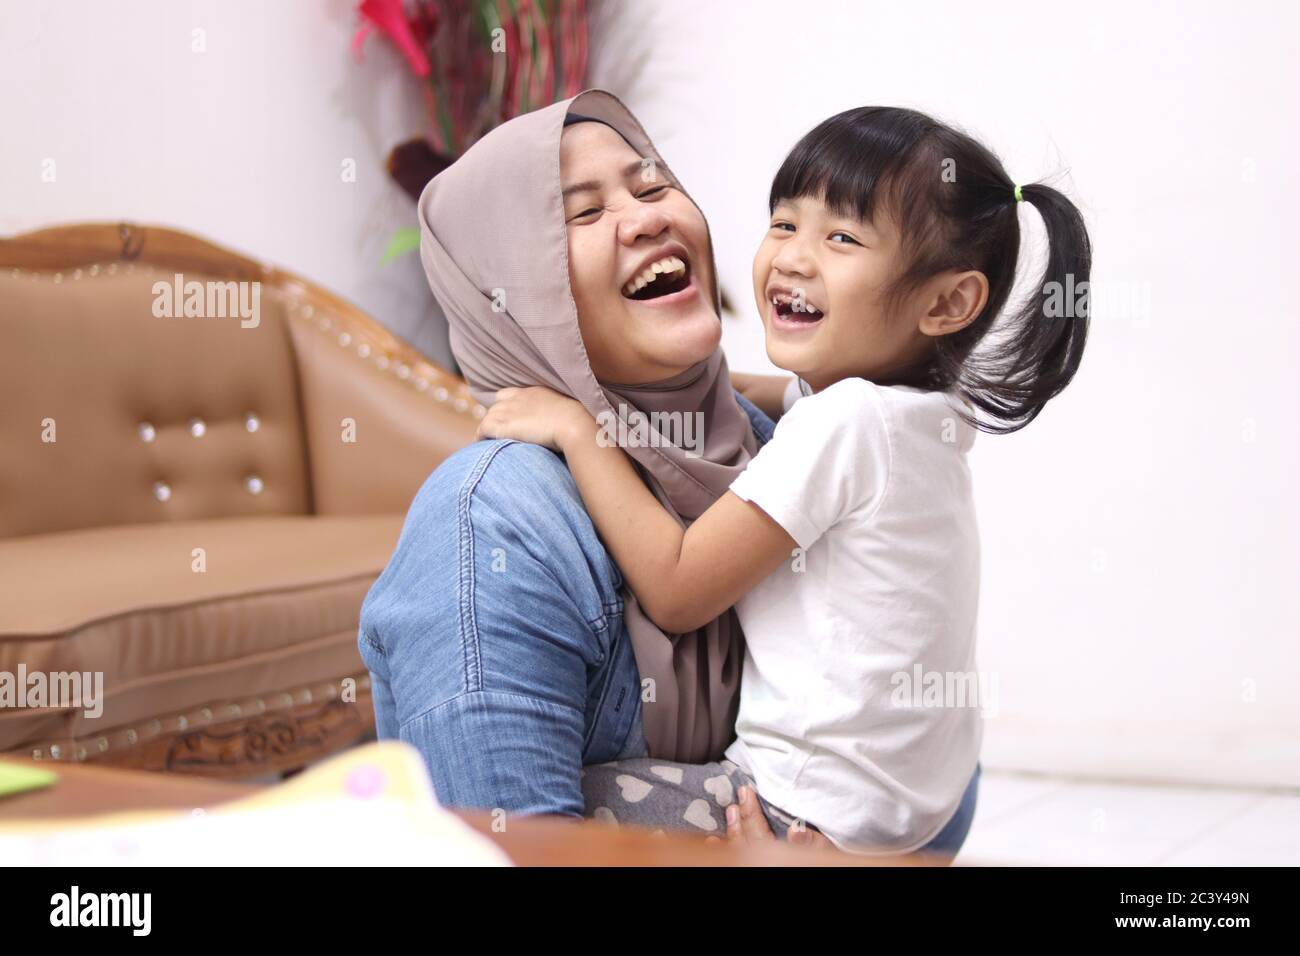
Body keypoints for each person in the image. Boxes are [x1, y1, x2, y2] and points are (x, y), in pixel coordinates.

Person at [479, 105, 1091, 857]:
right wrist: (673, 379)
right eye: (784, 223)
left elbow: (677, 589)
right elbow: (772, 394)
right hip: (932, 805)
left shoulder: (846, 427)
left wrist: (583, 430)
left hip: (803, 815)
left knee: (536, 823)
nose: (794, 257)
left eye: (841, 238)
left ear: (946, 303)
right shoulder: (919, 411)